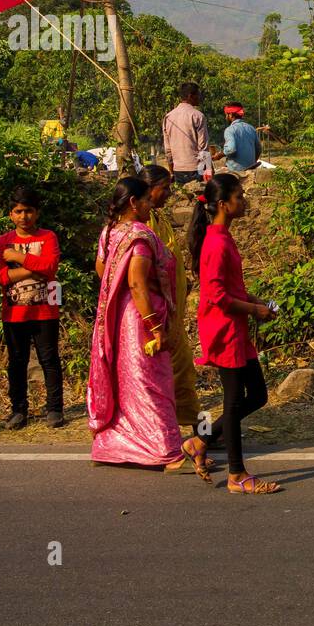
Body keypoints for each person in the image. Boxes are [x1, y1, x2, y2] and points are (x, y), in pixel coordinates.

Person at [87, 178, 191, 471]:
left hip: (116, 317)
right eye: (146, 200)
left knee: (126, 381)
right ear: (133, 202)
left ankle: (117, 444)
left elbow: (102, 269)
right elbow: (137, 282)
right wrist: (155, 325)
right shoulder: (139, 235)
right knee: (152, 382)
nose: (150, 205)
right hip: (140, 318)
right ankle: (164, 449)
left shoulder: (109, 231)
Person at [188, 173, 279, 494]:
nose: (244, 200)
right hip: (223, 329)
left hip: (235, 327)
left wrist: (257, 303)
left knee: (256, 395)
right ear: (224, 204)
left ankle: (201, 440)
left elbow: (232, 288)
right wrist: (254, 310)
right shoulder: (215, 242)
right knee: (233, 401)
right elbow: (215, 295)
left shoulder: (224, 237)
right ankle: (237, 475)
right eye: (239, 196)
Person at [0, 184, 64, 429]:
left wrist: (18, 258)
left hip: (46, 309)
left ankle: (54, 408)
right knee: (17, 362)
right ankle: (18, 410)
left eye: (29, 211)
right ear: (11, 214)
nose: (24, 216)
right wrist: (34, 266)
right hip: (14, 312)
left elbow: (50, 268)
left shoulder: (48, 237)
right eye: (19, 211)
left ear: (37, 212)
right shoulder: (2, 242)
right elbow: (0, 278)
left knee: (49, 359)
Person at [141, 165, 202, 442]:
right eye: (163, 188)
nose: (168, 193)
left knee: (184, 372)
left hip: (173, 312)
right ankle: (166, 435)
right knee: (165, 377)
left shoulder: (158, 217)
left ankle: (197, 431)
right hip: (156, 316)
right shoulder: (141, 225)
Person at [163, 82, 209, 186]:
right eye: (198, 95)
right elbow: (203, 147)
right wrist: (208, 170)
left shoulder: (168, 117)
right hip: (196, 169)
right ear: (191, 96)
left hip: (178, 169)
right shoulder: (198, 116)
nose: (199, 97)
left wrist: (171, 171)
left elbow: (167, 149)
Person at [221, 102, 262, 173]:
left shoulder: (230, 130)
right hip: (251, 167)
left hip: (235, 169)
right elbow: (258, 149)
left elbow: (231, 150)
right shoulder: (251, 128)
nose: (225, 117)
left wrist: (219, 155)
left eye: (226, 115)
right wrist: (252, 162)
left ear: (230, 115)